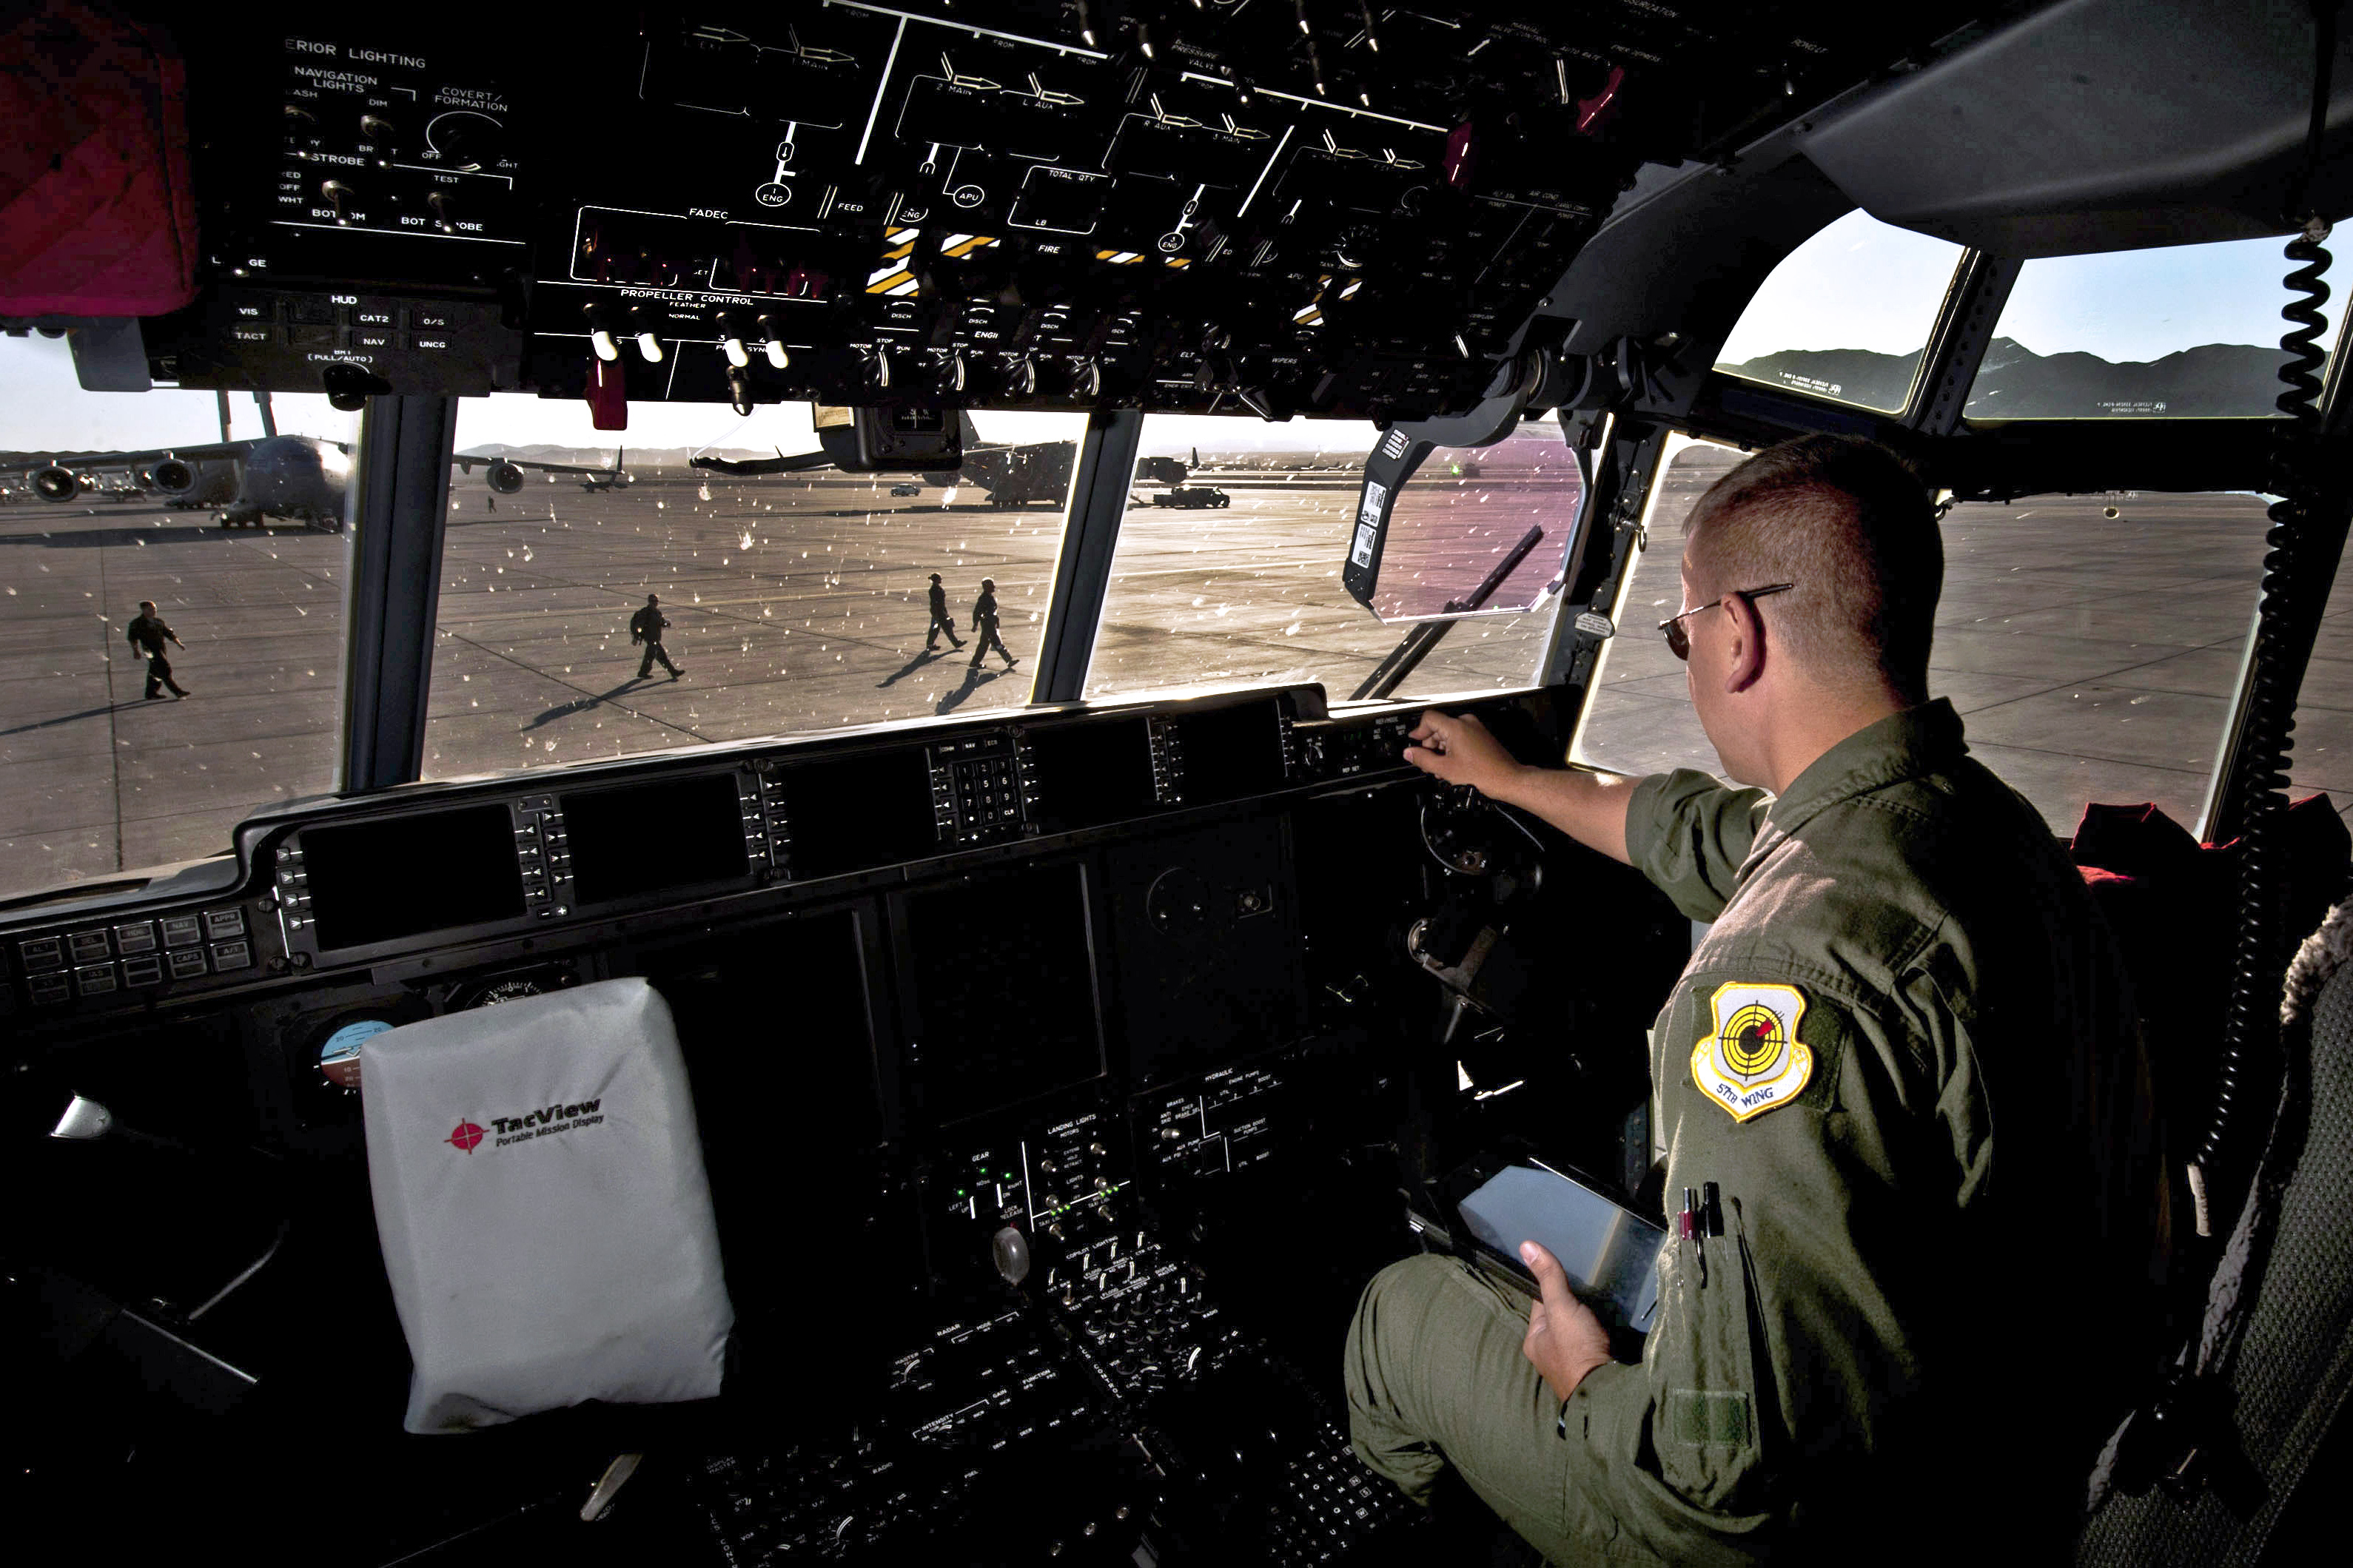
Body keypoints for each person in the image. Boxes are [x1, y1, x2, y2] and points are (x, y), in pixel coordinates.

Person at [1344, 435, 2169, 1563]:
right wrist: (1509, 779)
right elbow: (1699, 830)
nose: (1685, 655)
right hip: (2029, 1427)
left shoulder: (1772, 978)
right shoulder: (1968, 822)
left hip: (1880, 1523)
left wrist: (1583, 1384)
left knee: (1396, 1315)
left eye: (1680, 631)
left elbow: (1718, 1506)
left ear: (1736, 633)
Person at [126, 599, 188, 699]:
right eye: (150, 609)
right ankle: (177, 692)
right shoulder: (137, 624)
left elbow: (169, 634)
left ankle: (150, 693)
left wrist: (179, 644)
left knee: (154, 671)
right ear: (143, 610)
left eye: (154, 609)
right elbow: (132, 638)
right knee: (165, 670)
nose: (153, 611)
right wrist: (135, 651)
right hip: (149, 650)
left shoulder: (158, 622)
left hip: (161, 648)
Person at [630, 593, 682, 680]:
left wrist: (666, 623)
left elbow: (661, 622)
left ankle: (643, 672)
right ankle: (672, 671)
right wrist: (636, 637)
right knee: (661, 657)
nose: (655, 603)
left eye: (656, 601)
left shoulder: (657, 612)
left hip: (655, 638)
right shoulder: (646, 612)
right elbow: (639, 626)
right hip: (650, 638)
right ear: (649, 602)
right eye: (653, 601)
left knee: (652, 656)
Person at [969, 577, 1016, 670]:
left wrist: (997, 621)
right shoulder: (984, 598)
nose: (994, 587)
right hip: (988, 624)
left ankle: (975, 662)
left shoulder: (989, 597)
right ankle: (1009, 660)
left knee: (984, 644)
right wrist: (975, 624)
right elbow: (977, 611)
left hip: (990, 623)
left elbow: (993, 612)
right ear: (987, 587)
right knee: (997, 643)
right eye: (992, 585)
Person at [927, 573, 964, 650]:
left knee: (935, 629)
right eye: (940, 579)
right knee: (947, 628)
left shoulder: (935, 588)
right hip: (939, 612)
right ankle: (956, 643)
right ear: (937, 580)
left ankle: (930, 644)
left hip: (937, 611)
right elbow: (938, 603)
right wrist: (943, 613)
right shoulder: (935, 589)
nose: (941, 580)